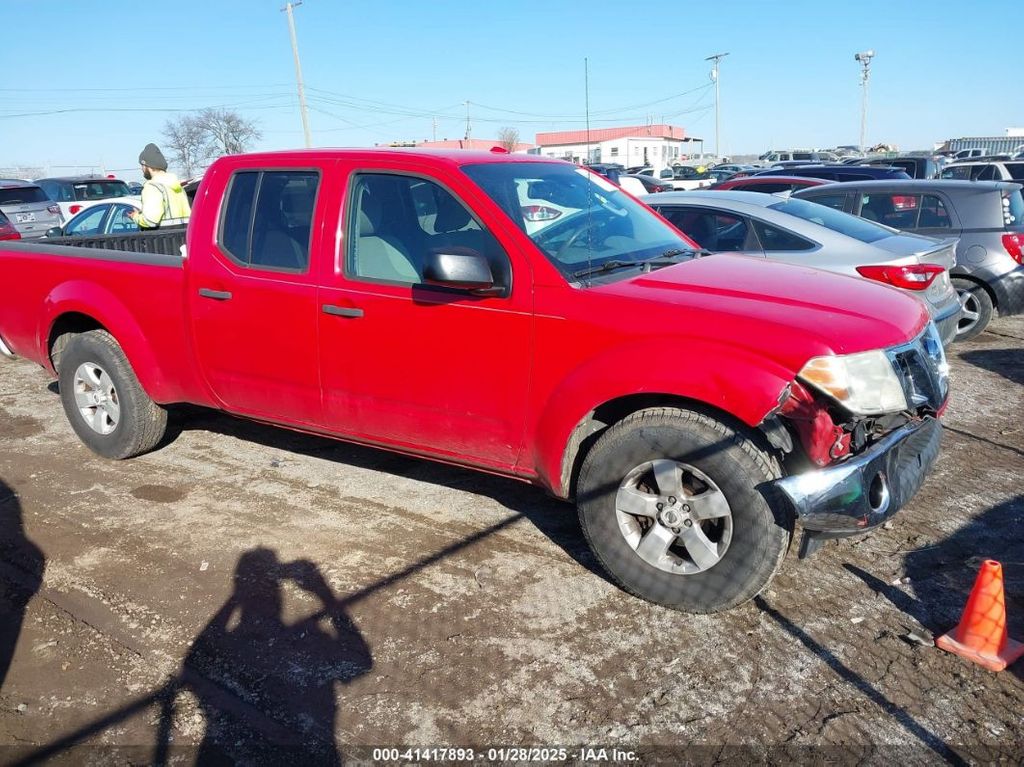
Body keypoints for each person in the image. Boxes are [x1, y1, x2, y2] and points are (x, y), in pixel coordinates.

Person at [127, 143, 191, 229]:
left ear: (146, 165)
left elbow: (151, 221)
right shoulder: (178, 187)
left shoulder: (153, 187)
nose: (141, 169)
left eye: (142, 166)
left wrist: (135, 217)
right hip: (184, 238)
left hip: (163, 240)